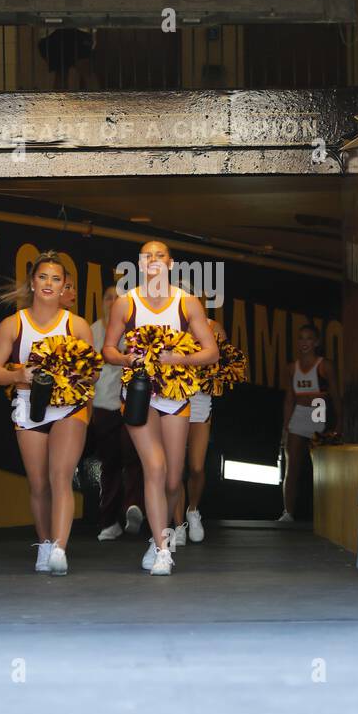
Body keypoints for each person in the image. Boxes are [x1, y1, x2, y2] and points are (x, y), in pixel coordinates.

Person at [102, 242, 218, 576]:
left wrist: (179, 358)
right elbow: (108, 348)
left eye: (159, 255)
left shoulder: (187, 302)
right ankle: (162, 549)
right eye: (146, 255)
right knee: (153, 467)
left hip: (176, 394)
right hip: (139, 394)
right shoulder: (126, 303)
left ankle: (160, 535)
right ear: (138, 263)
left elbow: (210, 352)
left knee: (171, 479)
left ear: (170, 263)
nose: (153, 260)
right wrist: (126, 358)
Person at [0, 251, 93, 575]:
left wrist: (68, 374)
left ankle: (60, 548)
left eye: (56, 279)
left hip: (69, 408)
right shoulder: (12, 324)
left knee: (61, 477)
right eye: (43, 277)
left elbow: (94, 372)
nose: (49, 283)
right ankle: (45, 543)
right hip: (29, 408)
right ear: (32, 282)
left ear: (64, 288)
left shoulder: (77, 325)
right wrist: (20, 375)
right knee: (39, 484)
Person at [88, 283, 146, 541]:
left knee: (134, 458)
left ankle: (134, 507)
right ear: (101, 302)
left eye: (117, 298)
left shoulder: (133, 331)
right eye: (107, 297)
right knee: (109, 463)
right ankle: (109, 521)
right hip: (102, 406)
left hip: (130, 403)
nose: (112, 302)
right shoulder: (91, 331)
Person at [277, 323, 342, 524]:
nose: (304, 343)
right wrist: (285, 428)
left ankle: (327, 515)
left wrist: (340, 423)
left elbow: (336, 396)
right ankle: (288, 512)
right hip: (301, 414)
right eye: (301, 338)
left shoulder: (324, 365)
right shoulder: (291, 368)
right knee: (292, 464)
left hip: (320, 412)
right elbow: (289, 399)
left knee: (323, 466)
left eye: (308, 338)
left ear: (316, 342)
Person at [172, 317, 227, 546]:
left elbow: (225, 363)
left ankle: (193, 511)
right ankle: (178, 525)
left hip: (200, 398)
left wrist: (211, 371)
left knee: (196, 466)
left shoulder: (213, 327)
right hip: (173, 396)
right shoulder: (168, 323)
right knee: (175, 468)